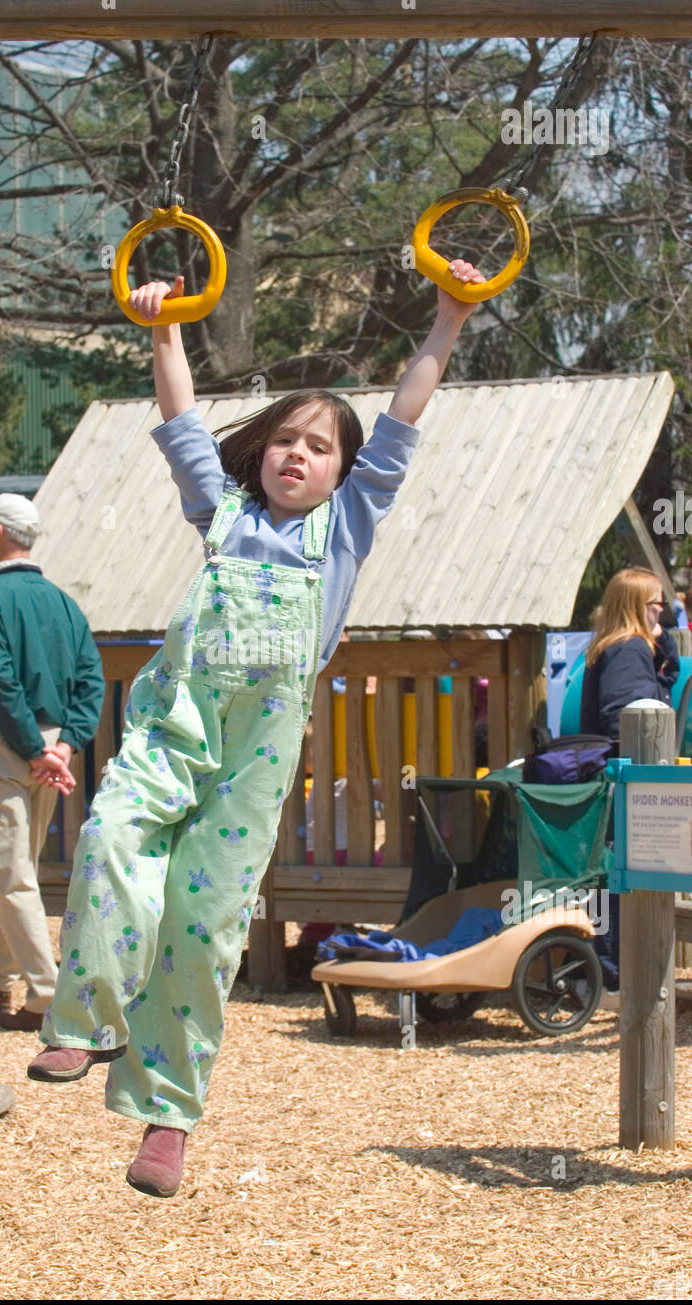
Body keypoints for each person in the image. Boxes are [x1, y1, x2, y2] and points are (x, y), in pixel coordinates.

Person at [28, 258, 487, 1199]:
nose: (297, 455)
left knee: (203, 930)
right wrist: (163, 329)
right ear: (262, 454)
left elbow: (403, 416)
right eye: (285, 440)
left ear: (345, 472)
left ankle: (167, 1120)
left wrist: (446, 321)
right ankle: (88, 1020)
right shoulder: (224, 514)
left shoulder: (350, 525)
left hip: (254, 758)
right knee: (112, 838)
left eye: (319, 448)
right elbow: (182, 422)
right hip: (175, 724)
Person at [0, 493, 105, 1031]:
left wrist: (32, 747)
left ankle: (47, 996)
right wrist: (64, 745)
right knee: (16, 872)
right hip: (50, 750)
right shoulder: (64, 602)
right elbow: (91, 678)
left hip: (4, 745)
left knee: (10, 876)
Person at [580, 567, 679, 999]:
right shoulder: (628, 649)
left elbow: (656, 685)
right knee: (621, 871)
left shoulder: (620, 646)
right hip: (627, 776)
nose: (664, 611)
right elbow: (628, 710)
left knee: (611, 872)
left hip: (612, 774)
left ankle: (605, 966)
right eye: (657, 604)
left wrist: (665, 645)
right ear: (639, 607)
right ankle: (611, 969)